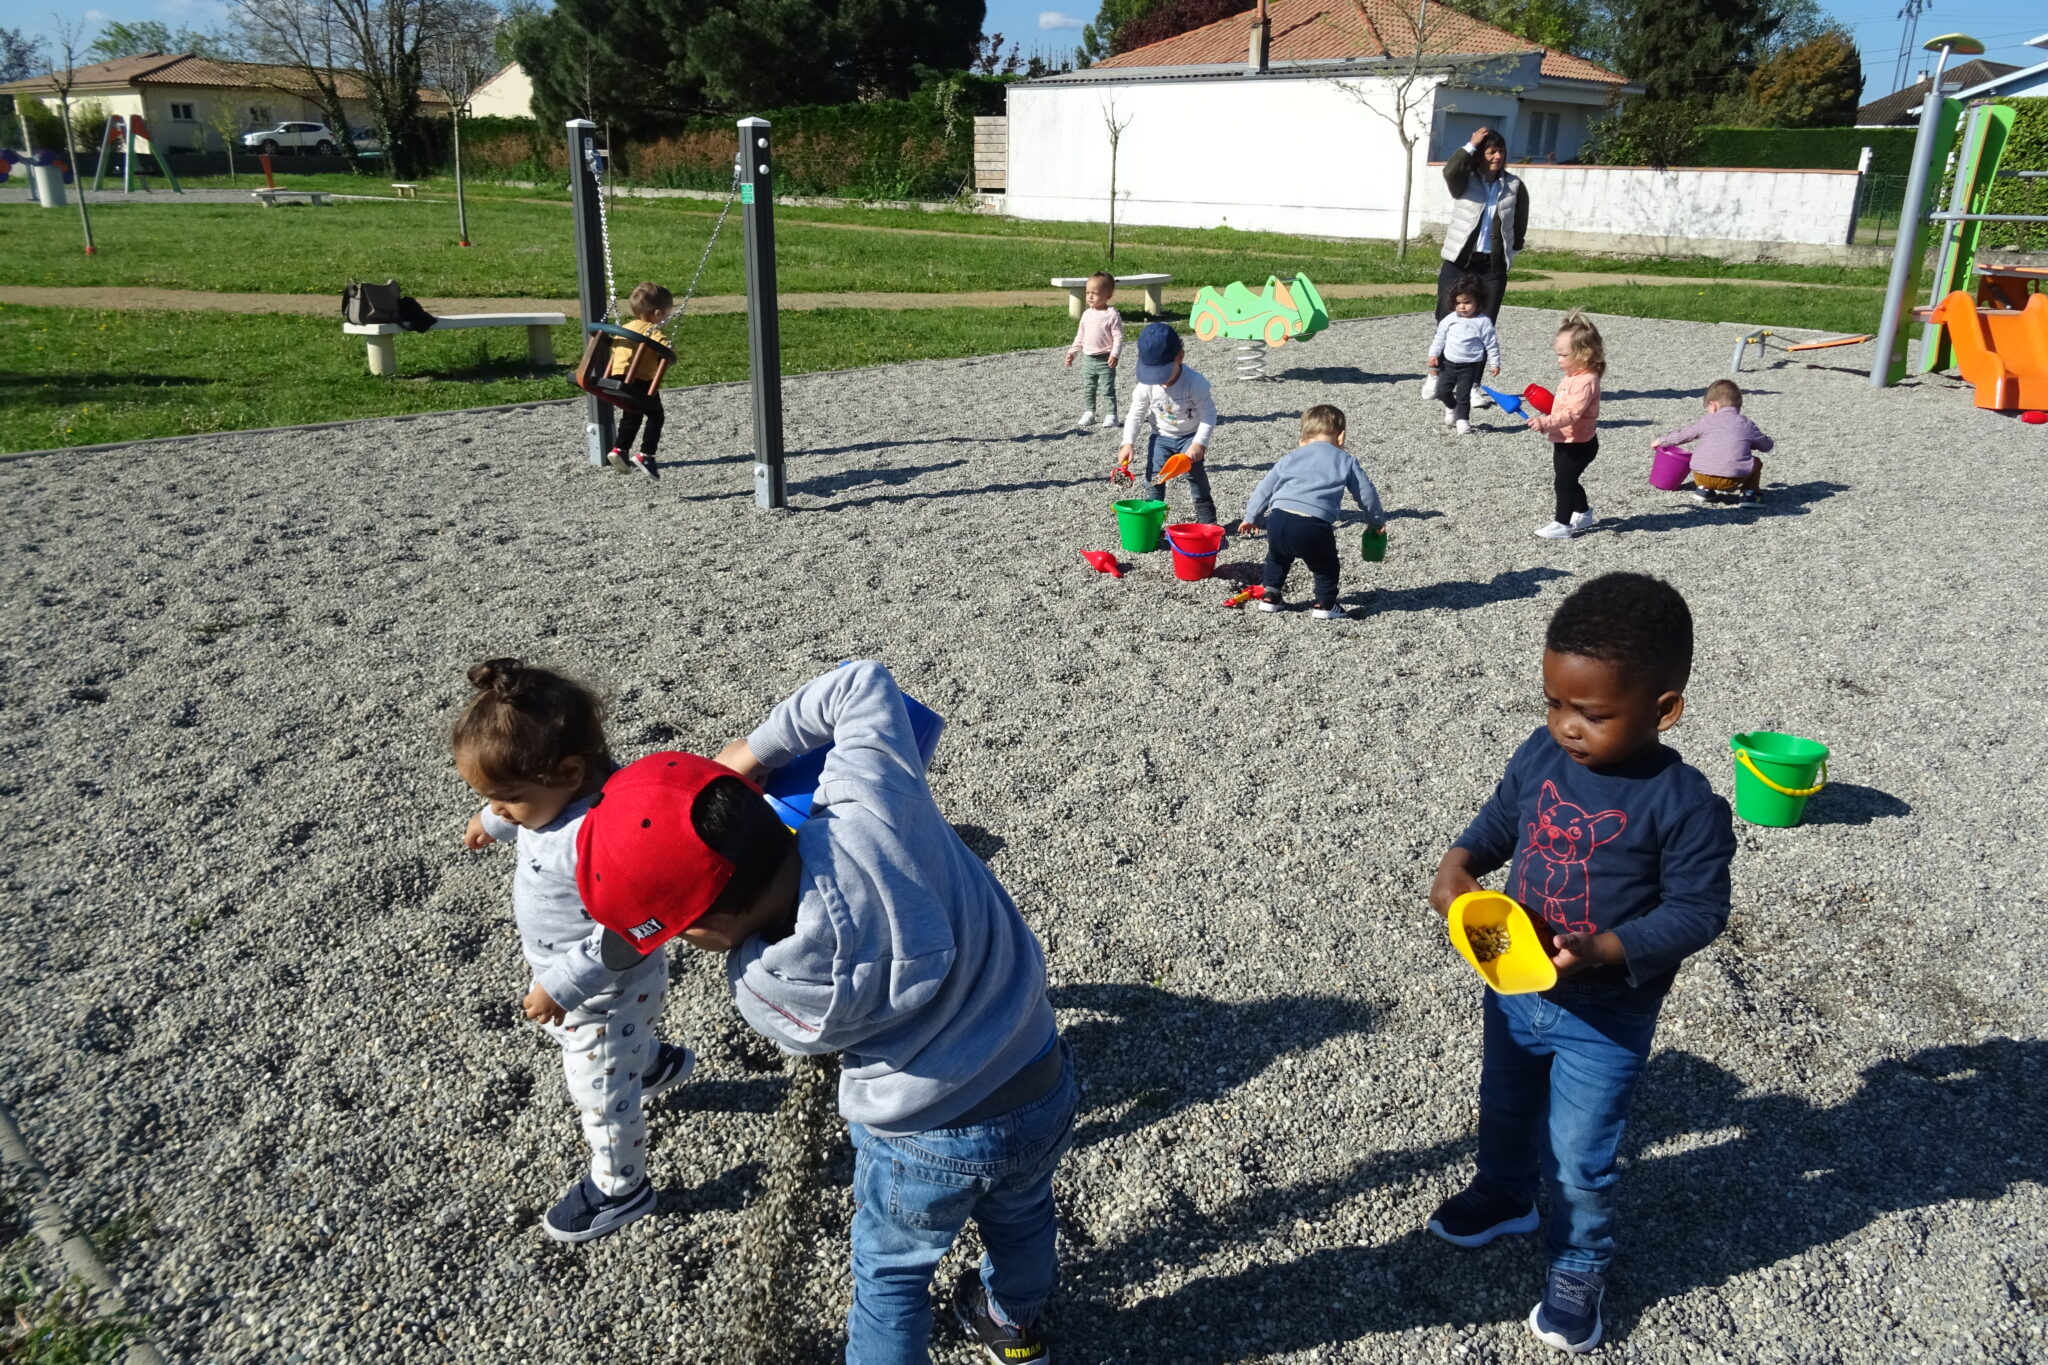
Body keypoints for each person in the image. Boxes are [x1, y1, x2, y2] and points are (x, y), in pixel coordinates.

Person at [576, 661, 1075, 1365]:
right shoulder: (875, 800)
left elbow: (806, 1027)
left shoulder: (760, 983)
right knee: (1024, 1218)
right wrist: (748, 757)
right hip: (1037, 1073)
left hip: (918, 1136)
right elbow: (862, 683)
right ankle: (1012, 1325)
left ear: (706, 926)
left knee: (892, 1277)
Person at [1425, 573, 1735, 1355]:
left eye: (1591, 713)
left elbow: (1699, 911)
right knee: (1502, 1101)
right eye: (1553, 703)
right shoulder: (1541, 753)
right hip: (1510, 977)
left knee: (1580, 1153)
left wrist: (1603, 948)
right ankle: (1503, 1193)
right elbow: (1502, 818)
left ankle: (1577, 1266)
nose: (1566, 726)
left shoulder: (1684, 802)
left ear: (1663, 708)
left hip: (1606, 1012)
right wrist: (1458, 863)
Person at [453, 658, 695, 1244]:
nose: (499, 807)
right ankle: (651, 1061)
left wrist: (561, 985)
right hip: (593, 991)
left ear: (567, 771)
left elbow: (623, 930)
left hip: (602, 990)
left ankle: (620, 1188)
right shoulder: (558, 797)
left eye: (505, 797)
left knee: (600, 1100)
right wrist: (498, 819)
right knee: (603, 1043)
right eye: (489, 797)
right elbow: (539, 810)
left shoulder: (598, 836)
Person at [1236, 404, 1386, 620]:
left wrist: (1252, 517)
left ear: (1303, 440)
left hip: (1277, 519)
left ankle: (1270, 596)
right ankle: (1325, 604)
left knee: (1277, 557)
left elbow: (1265, 488)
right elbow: (1366, 493)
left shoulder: (1291, 457)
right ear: (1341, 437)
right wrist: (1375, 520)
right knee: (1326, 565)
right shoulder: (1345, 460)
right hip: (1312, 525)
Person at [1424, 124, 1527, 404]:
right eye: (1491, 151)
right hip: (1459, 261)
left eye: (1500, 151)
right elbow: (1450, 171)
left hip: (1491, 267)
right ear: (1481, 155)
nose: (1497, 157)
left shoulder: (1514, 185)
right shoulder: (1465, 180)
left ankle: (1472, 386)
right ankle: (1437, 375)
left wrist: (1511, 255)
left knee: (1484, 324)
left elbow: (1519, 224)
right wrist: (1471, 144)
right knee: (1446, 317)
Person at [1118, 321, 1221, 527]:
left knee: (1195, 476)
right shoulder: (1146, 386)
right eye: (1153, 373)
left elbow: (1209, 414)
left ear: (1180, 357)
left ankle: (1207, 523)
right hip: (1161, 437)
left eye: (1162, 373)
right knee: (1155, 477)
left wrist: (1199, 443)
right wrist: (1128, 442)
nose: (1159, 380)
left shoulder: (1194, 382)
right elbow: (1135, 414)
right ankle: (1152, 522)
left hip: (1189, 437)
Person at [1528, 312, 1605, 540]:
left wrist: (1545, 422)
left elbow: (1572, 413)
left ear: (1585, 354)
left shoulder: (1586, 381)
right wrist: (1547, 408)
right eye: (1558, 354)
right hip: (1564, 439)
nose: (1558, 360)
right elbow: (1564, 407)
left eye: (1563, 355)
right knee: (1568, 478)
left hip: (1579, 443)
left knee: (1563, 482)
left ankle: (1562, 524)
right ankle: (1583, 513)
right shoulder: (1574, 375)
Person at [1657, 378, 1775, 507]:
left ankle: (1704, 490)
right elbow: (1766, 446)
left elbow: (1683, 435)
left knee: (1706, 454)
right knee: (1756, 462)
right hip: (1732, 479)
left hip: (1701, 476)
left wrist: (1662, 441)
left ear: (1713, 406)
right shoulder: (1746, 424)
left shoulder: (1707, 420)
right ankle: (1749, 495)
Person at [604, 281, 673, 481]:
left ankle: (620, 449)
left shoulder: (625, 327)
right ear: (658, 314)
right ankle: (646, 455)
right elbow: (667, 352)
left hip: (617, 378)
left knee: (632, 414)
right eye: (668, 314)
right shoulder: (653, 331)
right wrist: (670, 350)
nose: (668, 318)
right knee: (656, 416)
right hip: (640, 380)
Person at [1427, 275, 1504, 435]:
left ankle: (1463, 420)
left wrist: (1494, 363)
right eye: (1458, 303)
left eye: (1467, 302)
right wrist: (1433, 354)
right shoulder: (1449, 319)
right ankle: (1451, 406)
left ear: (1478, 302)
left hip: (1469, 366)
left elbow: (1491, 344)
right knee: (1442, 391)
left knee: (1463, 395)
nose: (1462, 307)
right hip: (1448, 364)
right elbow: (1439, 338)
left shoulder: (1483, 322)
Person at [1064, 270, 1124, 429]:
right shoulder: (1086, 315)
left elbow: (1118, 337)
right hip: (1088, 359)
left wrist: (1115, 354)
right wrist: (1072, 351)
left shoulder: (1112, 315)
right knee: (1088, 387)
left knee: (1107, 388)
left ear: (1108, 295)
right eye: (1087, 292)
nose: (1090, 296)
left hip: (1105, 359)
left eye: (1095, 293)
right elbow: (1080, 336)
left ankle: (1112, 414)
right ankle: (1089, 412)